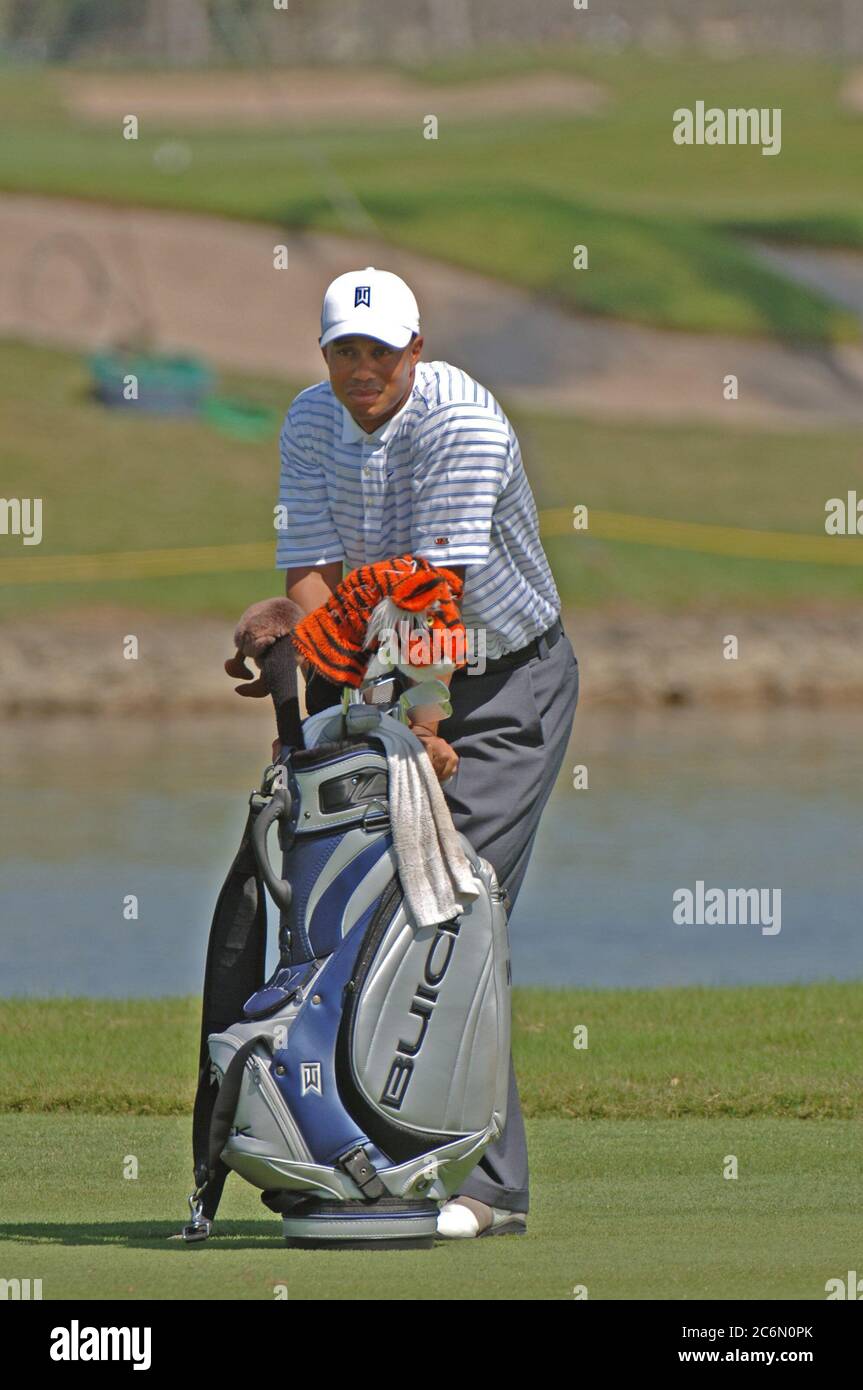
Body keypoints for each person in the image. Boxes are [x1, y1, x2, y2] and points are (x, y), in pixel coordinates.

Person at [275, 266, 579, 1238]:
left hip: (501, 689)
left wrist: (429, 727)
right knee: (359, 907)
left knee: (450, 910)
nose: (361, 368)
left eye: (380, 350)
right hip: (393, 683)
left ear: (416, 347)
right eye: (343, 351)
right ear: (324, 355)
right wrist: (323, 719)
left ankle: (490, 1188)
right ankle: (354, 1152)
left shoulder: (464, 423)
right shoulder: (309, 420)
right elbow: (314, 579)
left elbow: (430, 598)